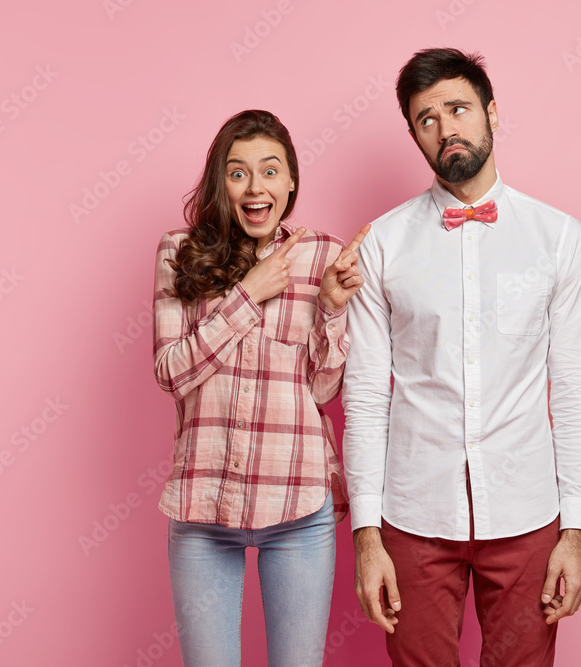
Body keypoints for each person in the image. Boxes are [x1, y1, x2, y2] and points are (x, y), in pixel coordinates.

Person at [343, 48, 581, 666]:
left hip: (527, 512)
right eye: (426, 119)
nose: (446, 128)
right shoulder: (382, 243)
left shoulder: (558, 238)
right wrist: (367, 539)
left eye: (458, 109)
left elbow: (575, 389)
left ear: (491, 112)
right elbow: (366, 397)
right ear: (415, 136)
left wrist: (575, 532)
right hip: (412, 515)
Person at [152, 109, 369, 666]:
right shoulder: (179, 251)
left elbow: (323, 390)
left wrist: (332, 307)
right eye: (238, 172)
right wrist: (247, 295)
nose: (255, 187)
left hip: (297, 503)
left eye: (270, 171)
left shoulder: (322, 254)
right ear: (220, 181)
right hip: (203, 504)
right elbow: (171, 373)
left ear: (291, 180)